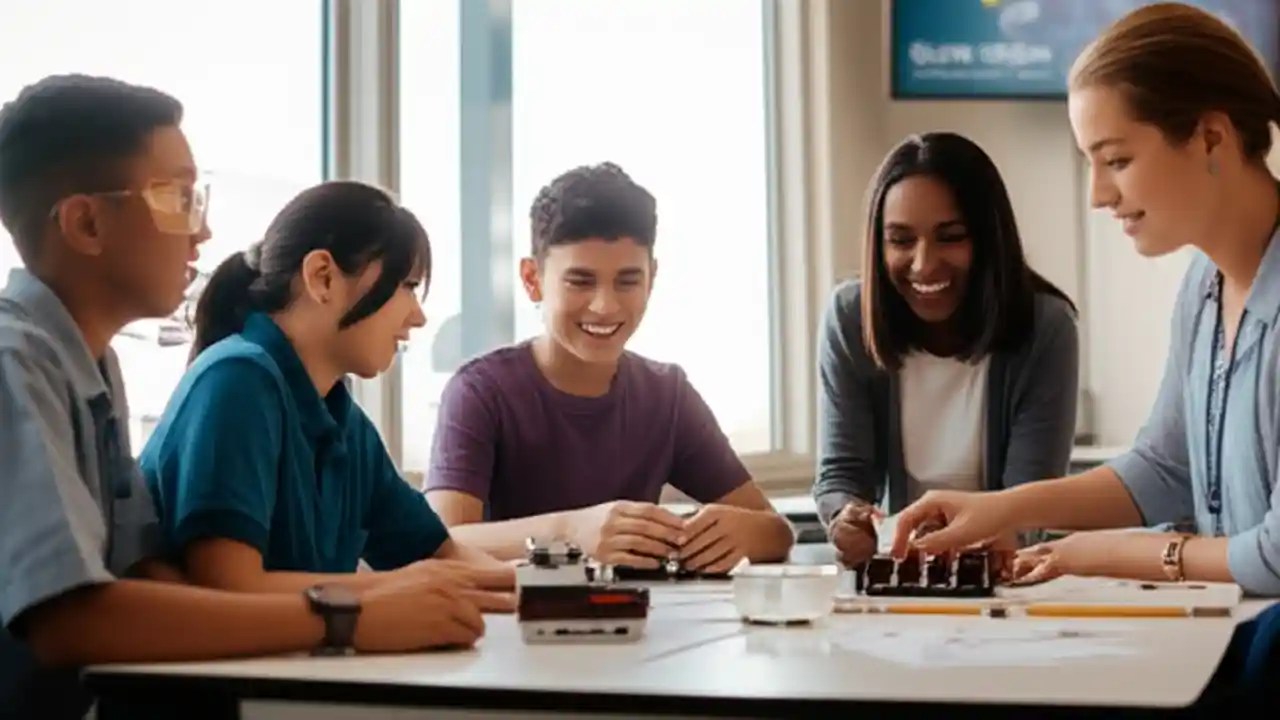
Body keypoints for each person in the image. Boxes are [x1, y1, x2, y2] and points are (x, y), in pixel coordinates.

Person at [0, 75, 495, 720]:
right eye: (178, 197)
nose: (201, 233)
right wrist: (351, 616)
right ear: (86, 223)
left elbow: (149, 573)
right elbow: (70, 617)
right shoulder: (18, 362)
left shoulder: (92, 366)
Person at [889, 2, 1280, 599]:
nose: (1098, 195)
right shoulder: (1205, 288)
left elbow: (1275, 556)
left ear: (1210, 137)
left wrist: (1112, 553)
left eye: (1117, 160)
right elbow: (1164, 469)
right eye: (1090, 163)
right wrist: (1001, 510)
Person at [139, 180, 514, 604]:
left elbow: (443, 556)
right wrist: (400, 587)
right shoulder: (237, 380)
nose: (419, 317)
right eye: (407, 285)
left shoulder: (342, 419)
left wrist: (554, 591)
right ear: (322, 278)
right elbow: (230, 587)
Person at [423, 162, 794, 571]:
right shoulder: (480, 391)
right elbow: (442, 544)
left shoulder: (666, 394)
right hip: (510, 626)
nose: (605, 306)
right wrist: (570, 531)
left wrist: (745, 532)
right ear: (533, 279)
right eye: (580, 281)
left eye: (628, 281)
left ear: (652, 278)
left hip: (638, 627)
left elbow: (776, 530)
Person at [812, 132, 1081, 568]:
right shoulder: (850, 317)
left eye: (951, 236)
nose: (923, 264)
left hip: (1002, 578)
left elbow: (1031, 503)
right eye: (900, 241)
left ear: (989, 240)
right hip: (900, 574)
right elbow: (842, 476)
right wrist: (847, 518)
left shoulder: (1046, 327)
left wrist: (965, 539)